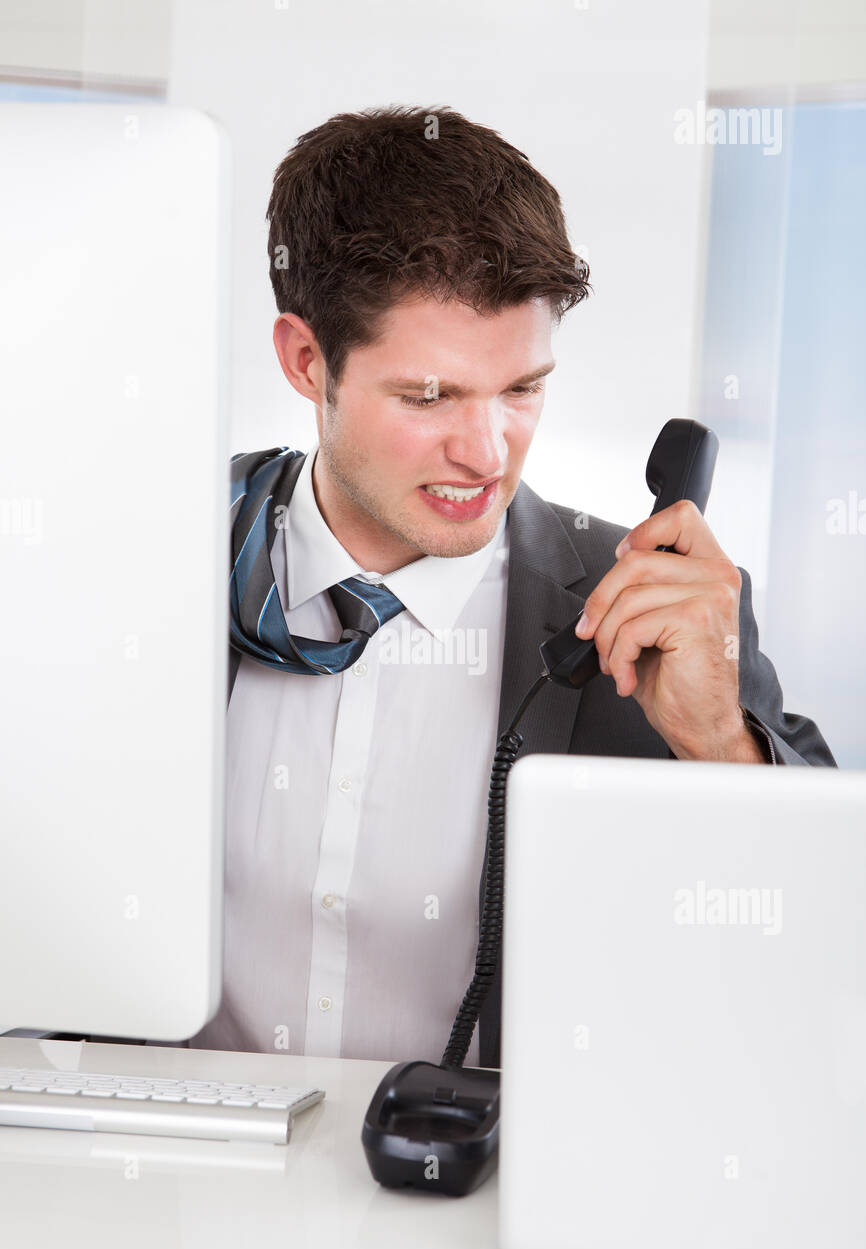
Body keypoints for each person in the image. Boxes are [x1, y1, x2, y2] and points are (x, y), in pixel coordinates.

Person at [190, 105, 835, 1069]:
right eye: (429, 396)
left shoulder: (655, 607)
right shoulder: (158, 551)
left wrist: (719, 743)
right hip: (165, 1179)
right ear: (306, 360)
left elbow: (823, 958)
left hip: (488, 1194)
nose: (486, 454)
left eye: (522, 389)